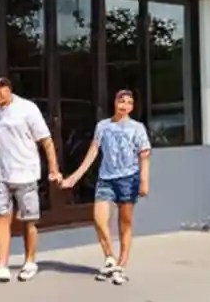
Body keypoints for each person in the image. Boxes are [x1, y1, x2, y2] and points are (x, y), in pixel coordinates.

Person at [61, 89, 151, 286]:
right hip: (106, 178)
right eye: (121, 101)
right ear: (115, 102)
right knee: (99, 219)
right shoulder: (103, 126)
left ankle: (122, 264)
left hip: (128, 178)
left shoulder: (137, 128)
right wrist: (74, 177)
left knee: (125, 222)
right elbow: (93, 151)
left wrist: (144, 181)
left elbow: (144, 155)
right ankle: (109, 257)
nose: (124, 105)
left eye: (128, 102)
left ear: (132, 106)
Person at [0, 77, 60, 285]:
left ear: (8, 90)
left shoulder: (27, 108)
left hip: (26, 172)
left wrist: (53, 168)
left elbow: (46, 140)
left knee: (28, 220)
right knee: (0, 217)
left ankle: (30, 261)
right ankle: (1, 266)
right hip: (0, 173)